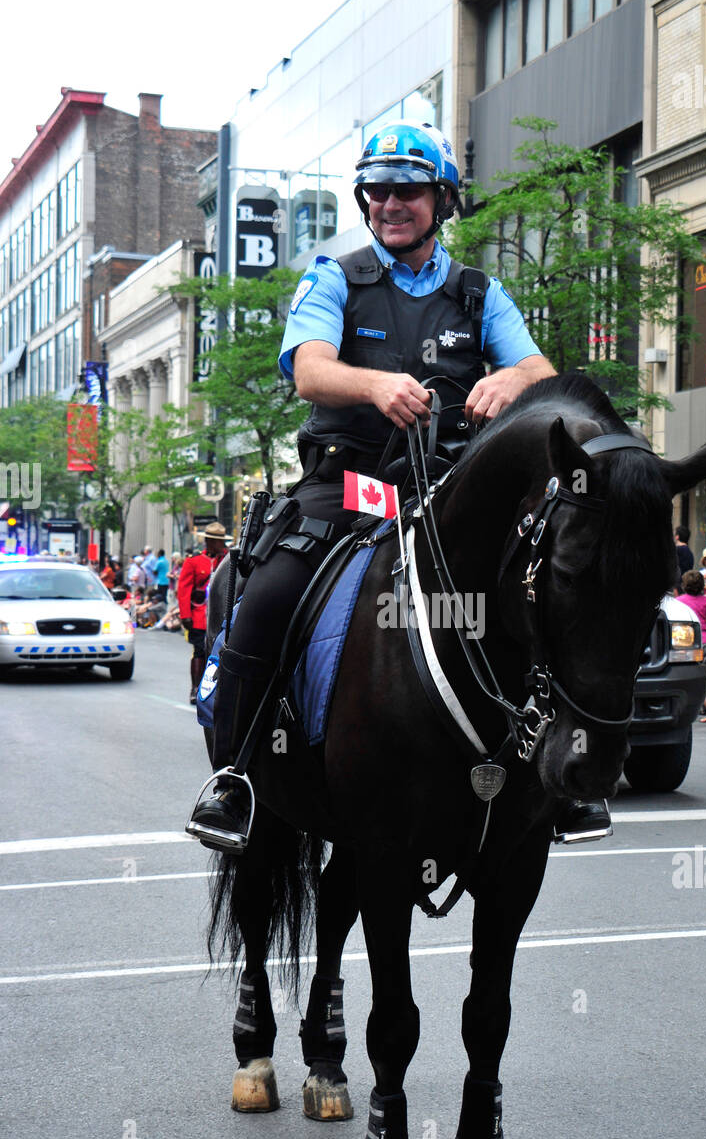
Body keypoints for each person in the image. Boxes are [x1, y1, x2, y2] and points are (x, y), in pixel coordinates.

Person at [187, 119, 589, 852]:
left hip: (448, 494)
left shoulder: (479, 294)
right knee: (266, 600)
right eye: (376, 190)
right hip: (342, 488)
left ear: (442, 199)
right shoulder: (333, 277)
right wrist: (373, 384)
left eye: (406, 189)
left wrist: (505, 378)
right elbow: (308, 368)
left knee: (547, 598)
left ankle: (563, 779)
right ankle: (237, 779)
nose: (388, 203)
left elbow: (540, 371)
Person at [178, 523, 231, 702]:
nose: (220, 545)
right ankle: (195, 688)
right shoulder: (194, 561)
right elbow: (184, 589)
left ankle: (215, 690)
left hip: (223, 616)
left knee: (219, 654)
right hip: (200, 615)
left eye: (221, 541)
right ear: (208, 541)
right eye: (217, 542)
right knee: (200, 651)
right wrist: (185, 615)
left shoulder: (229, 560)